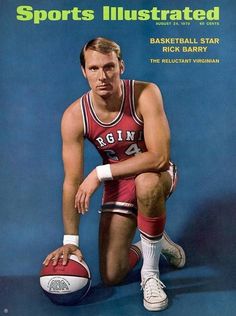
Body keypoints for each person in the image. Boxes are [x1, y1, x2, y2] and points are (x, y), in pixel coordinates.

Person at [43, 37, 185, 311]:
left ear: (121, 66)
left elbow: (159, 157)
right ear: (84, 72)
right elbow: (71, 181)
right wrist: (70, 241)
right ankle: (151, 242)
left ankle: (150, 275)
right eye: (94, 69)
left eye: (109, 67)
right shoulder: (75, 116)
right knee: (111, 275)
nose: (102, 76)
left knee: (146, 182)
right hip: (118, 182)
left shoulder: (145, 93)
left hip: (156, 173)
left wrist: (100, 172)